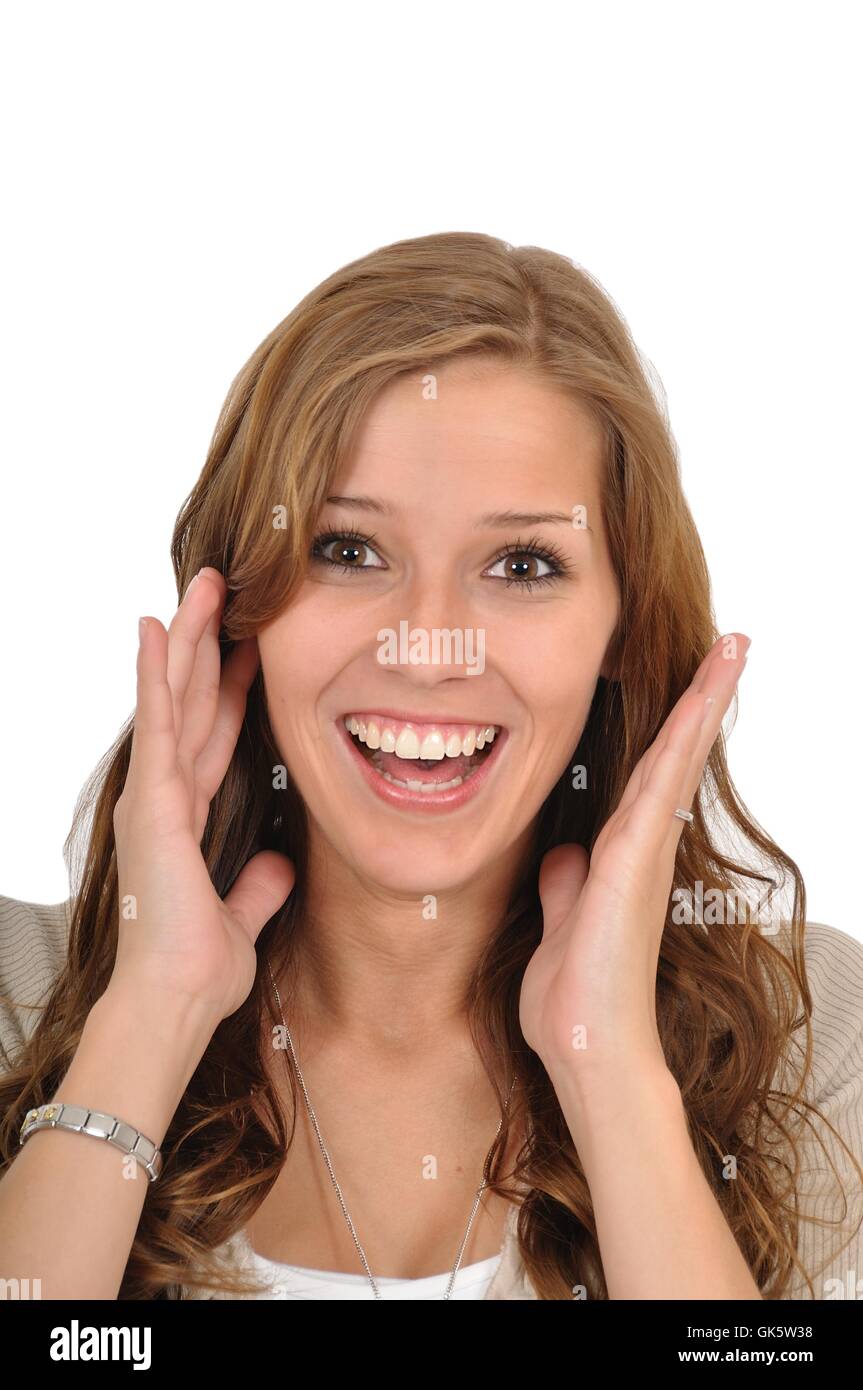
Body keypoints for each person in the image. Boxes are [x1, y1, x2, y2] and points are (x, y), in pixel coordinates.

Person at [1, 231, 861, 1301]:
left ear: (621, 635)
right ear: (236, 606)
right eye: (349, 549)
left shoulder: (813, 1036)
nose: (426, 643)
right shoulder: (15, 992)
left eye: (521, 564)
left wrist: (611, 1071)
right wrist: (148, 1018)